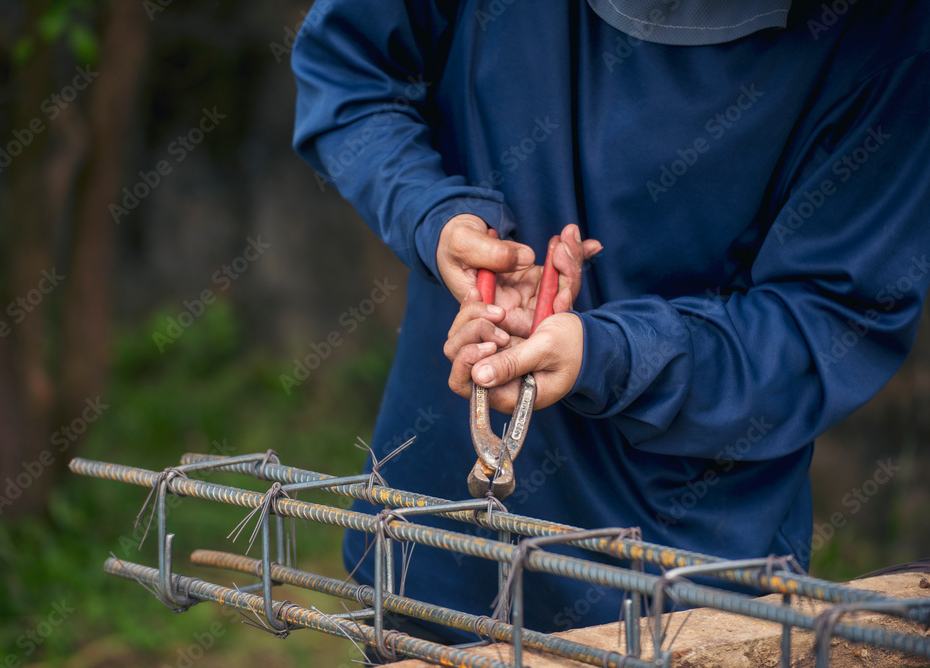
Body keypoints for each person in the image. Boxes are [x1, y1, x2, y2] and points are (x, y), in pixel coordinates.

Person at [291, 0, 930, 647]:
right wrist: (437, 217)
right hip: (435, 550)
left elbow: (826, 321)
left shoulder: (887, 42)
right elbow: (348, 70)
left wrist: (612, 354)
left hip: (684, 602)